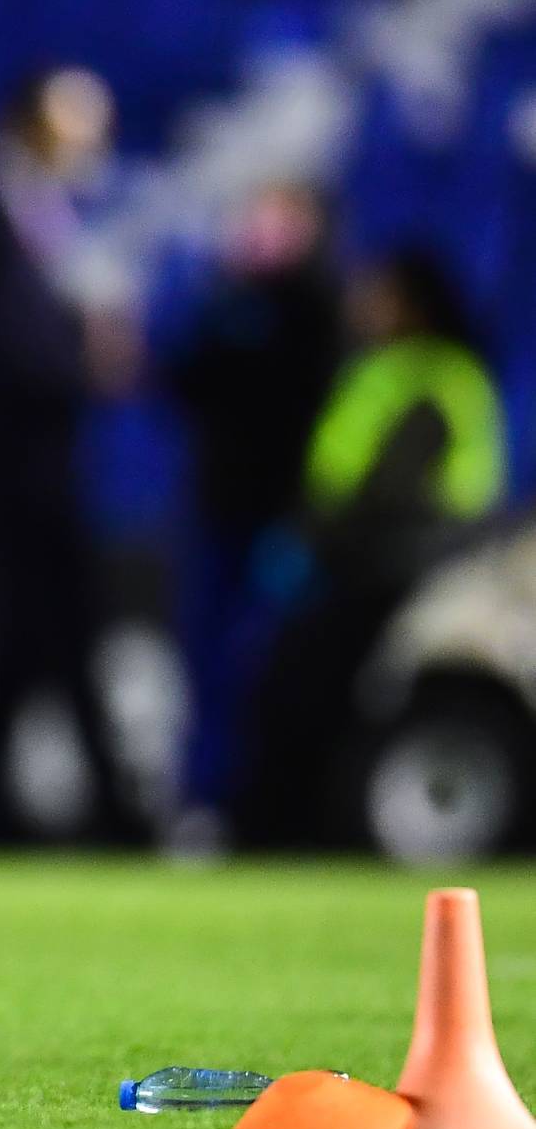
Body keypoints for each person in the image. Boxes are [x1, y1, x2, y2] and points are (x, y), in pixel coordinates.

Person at [236, 246, 509, 843]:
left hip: (398, 570)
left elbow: (392, 488)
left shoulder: (434, 377)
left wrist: (319, 540)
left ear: (414, 304)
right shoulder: (388, 368)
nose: (364, 303)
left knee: (319, 702)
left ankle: (291, 835)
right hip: (372, 565)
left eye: (380, 292)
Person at [0, 67, 140, 841]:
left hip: (40, 471)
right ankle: (114, 811)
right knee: (61, 634)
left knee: (31, 641)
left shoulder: (36, 213)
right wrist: (85, 357)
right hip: (20, 475)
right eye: (76, 121)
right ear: (32, 123)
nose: (92, 139)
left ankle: (8, 811)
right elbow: (7, 345)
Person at [166, 182, 344, 834]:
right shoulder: (225, 300)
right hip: (218, 513)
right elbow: (181, 382)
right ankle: (205, 806)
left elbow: (311, 406)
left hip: (283, 520)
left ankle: (270, 809)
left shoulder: (319, 306)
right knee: (208, 665)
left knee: (265, 668)